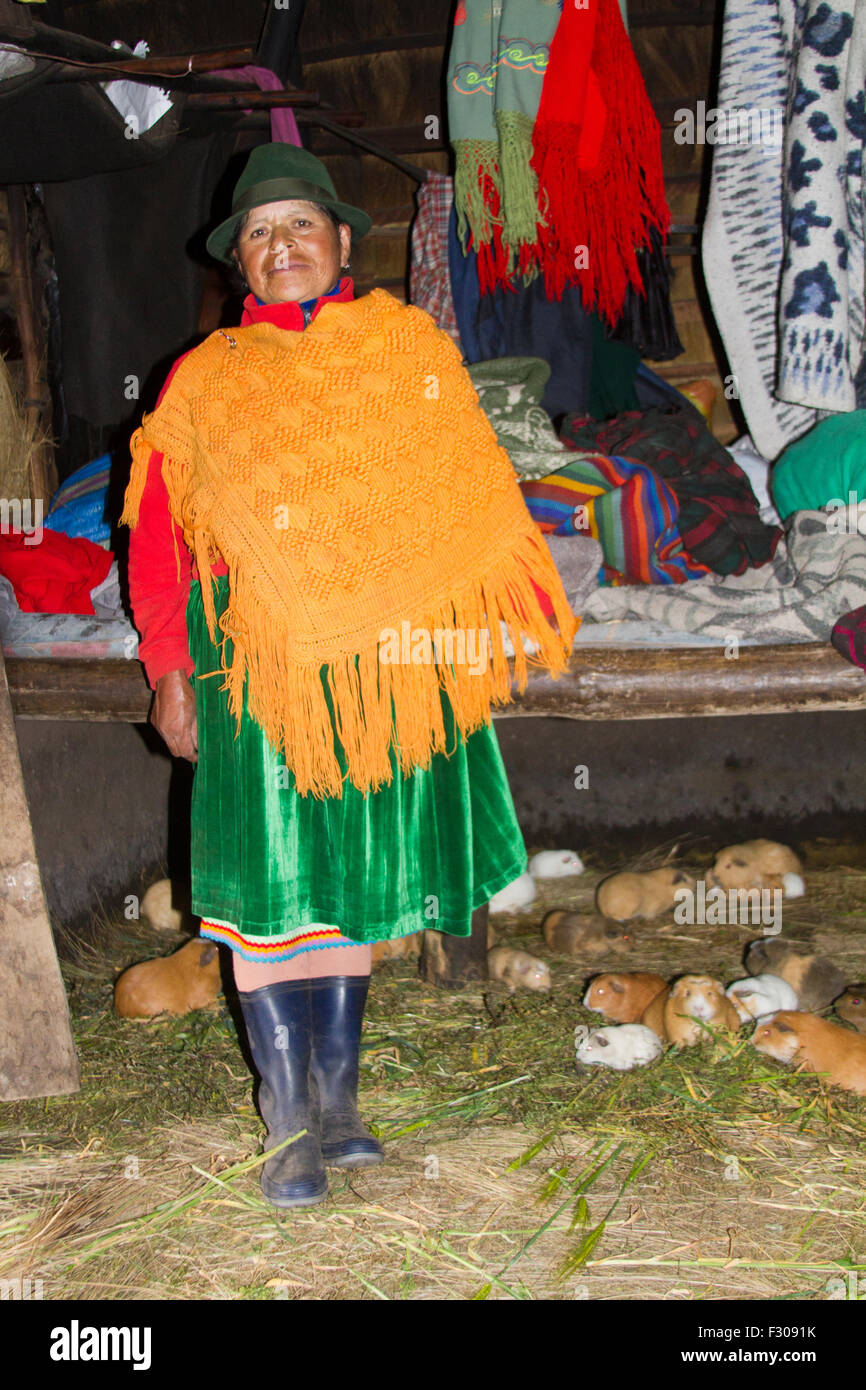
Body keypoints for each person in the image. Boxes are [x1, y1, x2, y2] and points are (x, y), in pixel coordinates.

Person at [122, 143, 577, 1210]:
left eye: (299, 227)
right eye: (258, 234)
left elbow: (459, 497)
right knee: (272, 886)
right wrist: (167, 665)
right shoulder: (208, 378)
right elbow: (158, 541)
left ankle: (338, 1105)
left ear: (337, 243)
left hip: (375, 674)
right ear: (241, 262)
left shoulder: (400, 349)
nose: (280, 247)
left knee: (350, 886)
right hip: (249, 668)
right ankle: (286, 1126)